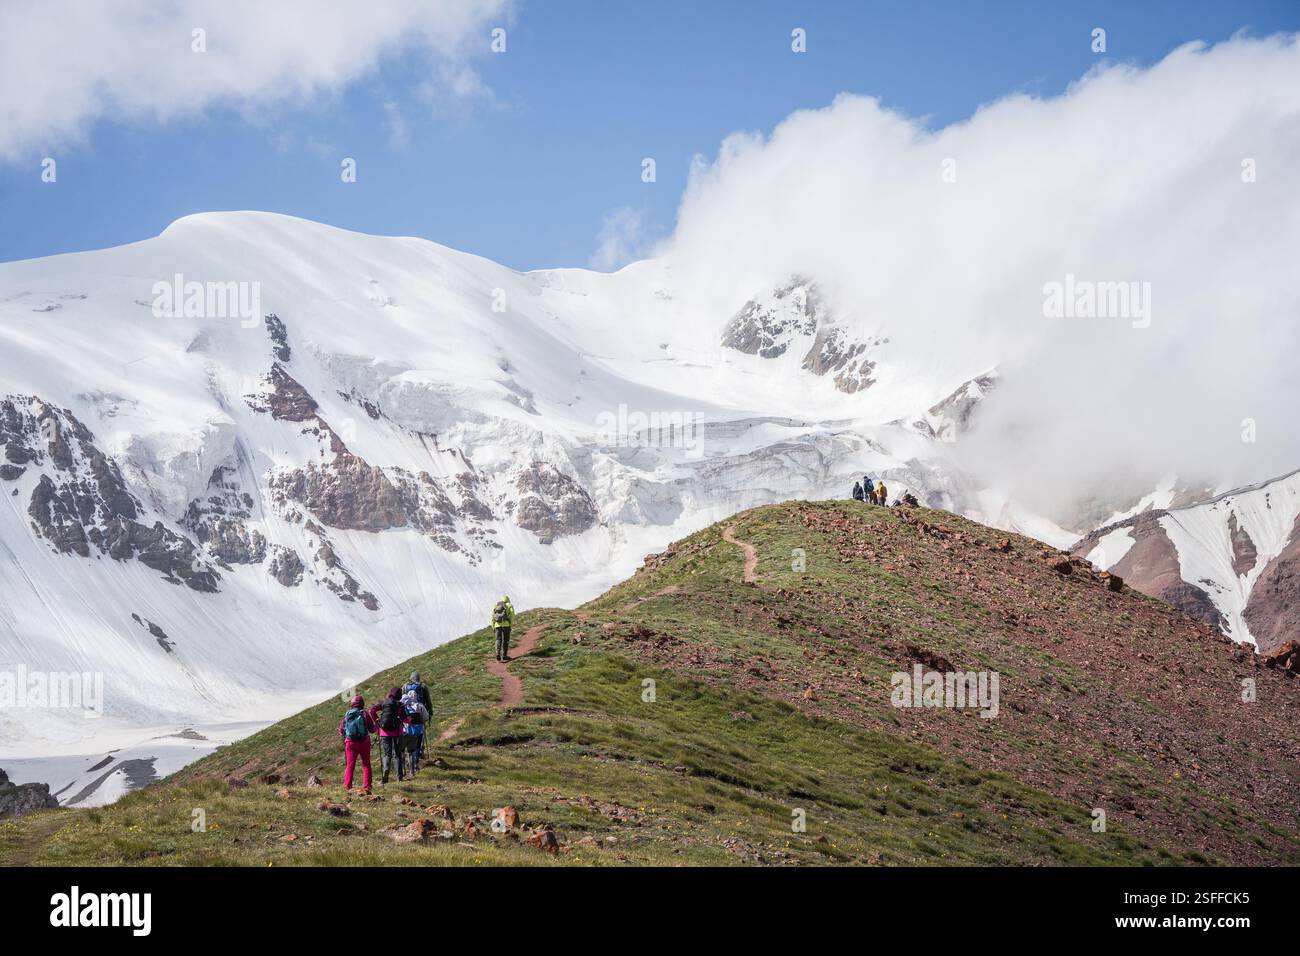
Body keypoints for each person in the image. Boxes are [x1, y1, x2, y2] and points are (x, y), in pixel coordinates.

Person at [370, 687, 409, 783]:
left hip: (384, 732)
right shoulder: (400, 705)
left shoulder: (384, 703)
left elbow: (372, 710)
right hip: (397, 732)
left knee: (387, 754)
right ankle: (399, 777)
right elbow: (405, 719)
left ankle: (385, 776)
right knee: (398, 754)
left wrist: (378, 721)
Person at [338, 695, 376, 794]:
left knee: (350, 765)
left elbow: (342, 731)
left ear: (352, 704)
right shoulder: (365, 714)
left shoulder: (348, 714)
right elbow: (372, 730)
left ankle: (347, 786)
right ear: (362, 704)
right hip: (364, 742)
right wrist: (377, 726)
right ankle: (367, 787)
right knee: (366, 764)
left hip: (350, 743)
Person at [404, 672, 433, 758]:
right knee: (421, 731)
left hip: (408, 713)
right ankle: (420, 750)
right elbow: (428, 701)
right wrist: (430, 712)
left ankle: (410, 751)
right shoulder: (423, 686)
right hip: (421, 711)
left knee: (410, 732)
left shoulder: (405, 686)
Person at [401, 690, 429, 775]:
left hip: (406, 730)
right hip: (418, 730)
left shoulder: (403, 707)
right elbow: (426, 717)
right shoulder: (420, 705)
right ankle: (414, 767)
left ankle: (403, 770)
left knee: (402, 750)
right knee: (415, 748)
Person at [491, 594, 516, 662]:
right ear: (508, 599)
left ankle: (497, 653)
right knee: (506, 640)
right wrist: (509, 623)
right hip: (506, 625)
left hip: (497, 625)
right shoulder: (509, 605)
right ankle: (504, 655)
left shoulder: (496, 605)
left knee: (498, 640)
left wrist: (493, 626)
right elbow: (512, 615)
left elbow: (492, 617)